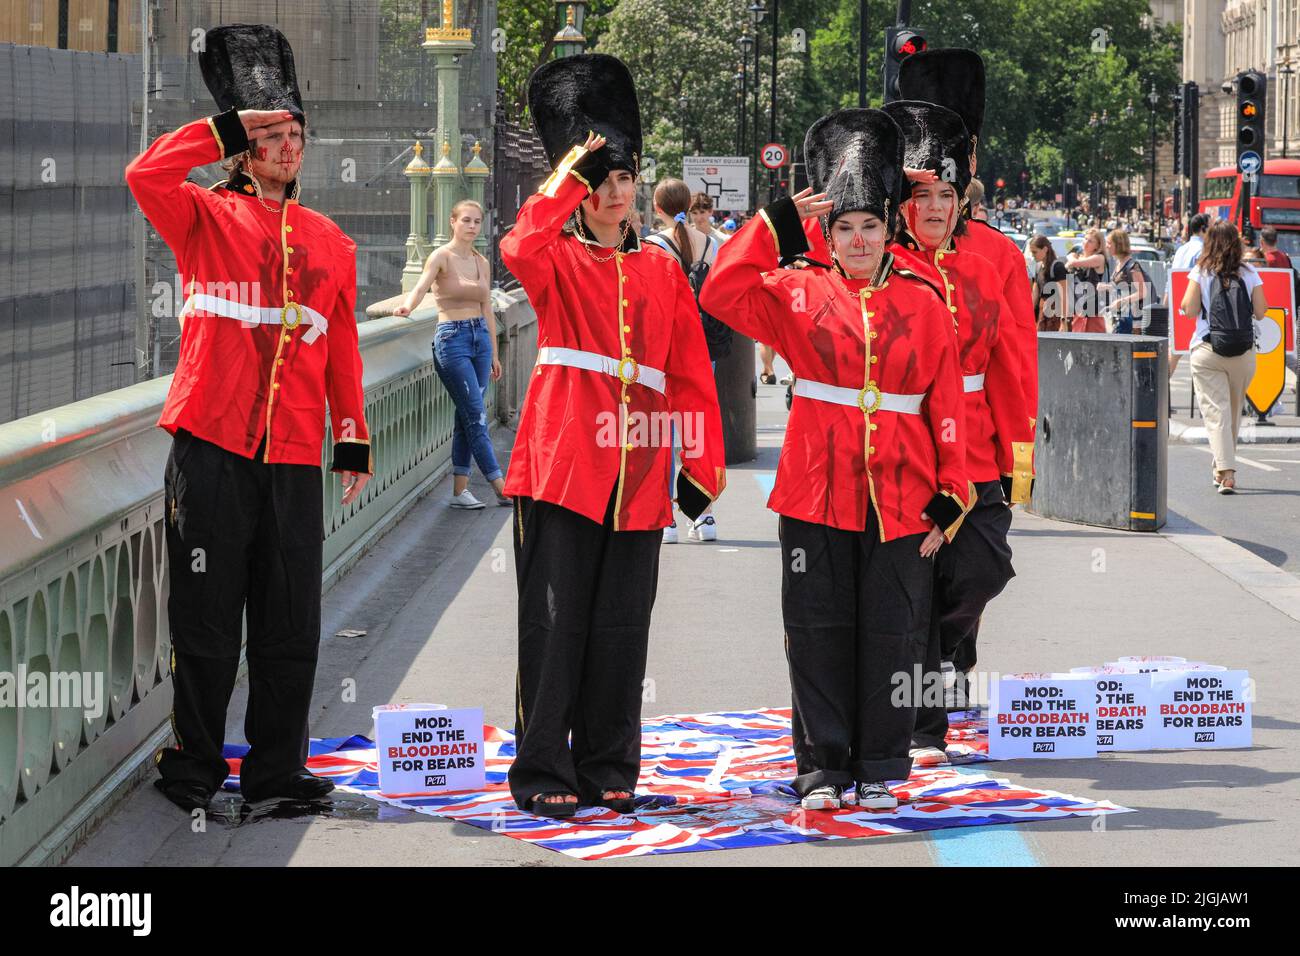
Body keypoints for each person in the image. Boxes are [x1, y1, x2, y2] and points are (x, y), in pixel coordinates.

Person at [125, 24, 372, 812]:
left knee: (289, 622)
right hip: (212, 440)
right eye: (272, 134)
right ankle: (193, 766)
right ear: (243, 147)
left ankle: (276, 771)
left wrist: (351, 435)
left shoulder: (332, 241)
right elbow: (144, 171)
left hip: (294, 451)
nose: (288, 146)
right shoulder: (200, 214)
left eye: (296, 133)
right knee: (205, 619)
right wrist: (226, 124)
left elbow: (340, 348)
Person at [701, 108, 973, 811]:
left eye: (870, 226)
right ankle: (822, 767)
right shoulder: (797, 290)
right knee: (816, 633)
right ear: (827, 235)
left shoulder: (924, 302)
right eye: (844, 227)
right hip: (814, 491)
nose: (857, 240)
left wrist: (952, 495)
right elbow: (720, 289)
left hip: (903, 497)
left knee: (892, 636)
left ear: (889, 230)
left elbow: (947, 404)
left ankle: (880, 764)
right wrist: (775, 224)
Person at [498, 54, 725, 817]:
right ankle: (542, 768)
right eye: (601, 182)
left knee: (622, 629)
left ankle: (607, 764)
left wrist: (702, 466)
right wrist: (571, 169)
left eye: (624, 179)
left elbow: (689, 375)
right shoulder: (555, 259)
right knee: (555, 625)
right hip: (561, 465)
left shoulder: (661, 273)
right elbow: (517, 245)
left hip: (639, 478)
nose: (615, 194)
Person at [883, 99, 1033, 763]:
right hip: (905, 445)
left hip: (973, 447)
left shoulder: (991, 260)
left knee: (982, 567)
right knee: (915, 582)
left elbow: (1012, 364)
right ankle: (923, 728)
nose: (937, 208)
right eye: (923, 196)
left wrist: (1017, 458)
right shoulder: (880, 257)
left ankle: (937, 656)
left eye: (948, 195)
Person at [898, 48, 1038, 434]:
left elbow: (1017, 361)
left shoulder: (999, 252)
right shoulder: (875, 243)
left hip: (970, 432)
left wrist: (1016, 449)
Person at [394, 200, 509, 509]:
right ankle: (500, 485)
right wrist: (407, 306)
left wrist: (494, 354)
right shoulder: (441, 256)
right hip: (452, 339)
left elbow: (487, 309)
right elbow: (421, 287)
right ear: (453, 222)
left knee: (466, 416)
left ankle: (460, 492)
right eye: (466, 220)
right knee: (476, 415)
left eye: (477, 221)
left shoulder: (481, 262)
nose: (472, 226)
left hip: (480, 340)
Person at [645, 178, 724, 543]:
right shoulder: (710, 244)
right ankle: (704, 516)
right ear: (689, 205)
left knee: (661, 431)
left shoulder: (652, 245)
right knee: (696, 428)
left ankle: (666, 517)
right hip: (701, 346)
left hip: (663, 347)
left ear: (656, 207)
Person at [1181, 220, 1265, 494]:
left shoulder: (1201, 271)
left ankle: (1226, 473)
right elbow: (1261, 311)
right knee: (1232, 413)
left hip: (1208, 350)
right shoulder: (1249, 271)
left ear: (1209, 242)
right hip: (1243, 352)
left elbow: (1190, 309)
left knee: (1216, 413)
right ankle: (1221, 469)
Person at [1102, 229, 1150, 334]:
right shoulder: (1119, 264)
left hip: (1131, 322)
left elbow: (1142, 292)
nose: (1106, 246)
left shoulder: (1132, 266)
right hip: (1120, 318)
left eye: (1109, 243)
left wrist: (1120, 301)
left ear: (1119, 244)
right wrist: (1107, 287)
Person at [1064, 228, 1107, 332]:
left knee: (1094, 340)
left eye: (1090, 241)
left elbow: (1073, 263)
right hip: (1077, 310)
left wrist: (1071, 256)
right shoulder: (1078, 257)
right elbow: (1066, 268)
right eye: (1085, 239)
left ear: (1098, 245)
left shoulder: (1099, 258)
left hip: (1092, 313)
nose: (1086, 242)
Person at [1030, 235, 1068, 331]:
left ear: (1045, 249)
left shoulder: (1058, 267)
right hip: (1042, 315)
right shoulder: (1038, 267)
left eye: (1035, 252)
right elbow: (1034, 296)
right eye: (1031, 252)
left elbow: (1064, 296)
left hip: (1056, 317)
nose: (1032, 255)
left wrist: (1063, 322)